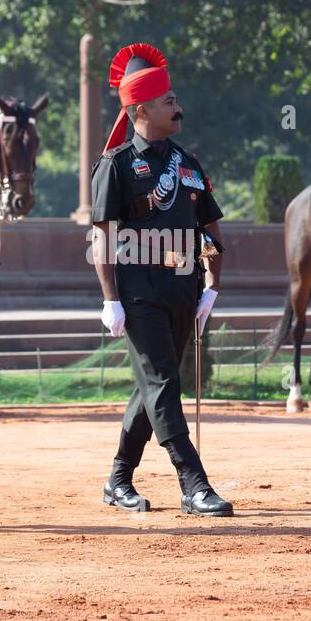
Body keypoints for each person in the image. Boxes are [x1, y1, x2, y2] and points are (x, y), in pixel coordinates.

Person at [90, 43, 232, 516]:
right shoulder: (116, 166)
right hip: (137, 291)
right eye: (168, 100)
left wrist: (211, 283)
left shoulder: (188, 164)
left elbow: (209, 230)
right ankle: (193, 482)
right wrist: (111, 299)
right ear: (141, 109)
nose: (178, 106)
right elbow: (104, 238)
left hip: (183, 288)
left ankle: (117, 479)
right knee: (163, 384)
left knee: (153, 384)